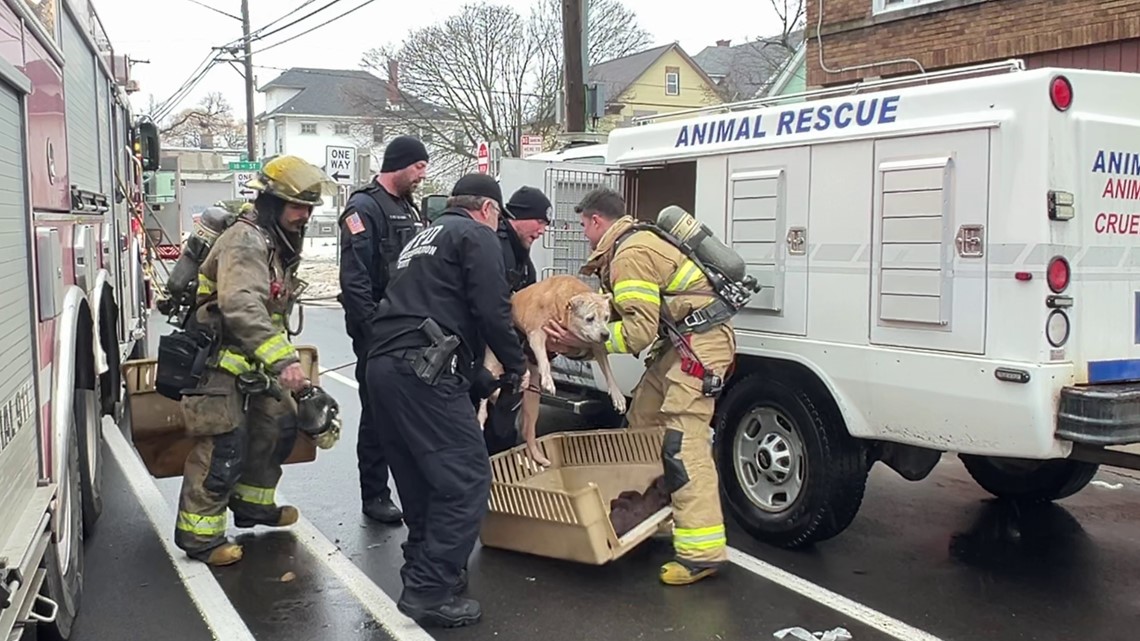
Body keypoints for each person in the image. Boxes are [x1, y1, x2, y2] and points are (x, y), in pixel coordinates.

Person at [544, 187, 735, 586]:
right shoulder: (631, 246)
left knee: (683, 443)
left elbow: (637, 332)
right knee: (644, 422)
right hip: (683, 343)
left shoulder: (630, 255)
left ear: (597, 220)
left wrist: (578, 343)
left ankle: (702, 553)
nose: (584, 234)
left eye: (583, 225)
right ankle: (659, 514)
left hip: (700, 347)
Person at [365, 173, 527, 627]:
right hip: (424, 371)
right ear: (489, 210)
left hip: (386, 368)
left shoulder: (422, 237)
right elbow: (492, 309)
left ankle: (426, 569)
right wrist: (517, 365)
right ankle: (430, 589)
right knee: (466, 480)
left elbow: (431, 310)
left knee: (420, 479)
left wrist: (477, 378)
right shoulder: (477, 235)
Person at [173, 155, 334, 566]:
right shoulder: (245, 240)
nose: (305, 216)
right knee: (224, 445)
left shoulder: (271, 239)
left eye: (309, 208)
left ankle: (253, 506)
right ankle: (200, 538)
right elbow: (240, 304)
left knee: (276, 426)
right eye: (298, 206)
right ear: (270, 202)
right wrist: (284, 361)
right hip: (219, 361)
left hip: (252, 361)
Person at [337, 135, 430, 524]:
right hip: (378, 330)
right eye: (419, 168)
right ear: (401, 164)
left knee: (408, 411)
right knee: (377, 413)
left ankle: (413, 488)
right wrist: (372, 330)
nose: (423, 176)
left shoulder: (405, 206)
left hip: (408, 327)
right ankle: (374, 493)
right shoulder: (364, 207)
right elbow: (355, 279)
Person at [477, 185, 552, 455]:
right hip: (483, 355)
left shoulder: (521, 256)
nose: (542, 230)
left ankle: (495, 485)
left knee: (503, 432)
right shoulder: (494, 245)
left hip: (509, 357)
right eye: (539, 221)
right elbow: (490, 310)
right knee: (481, 432)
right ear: (517, 216)